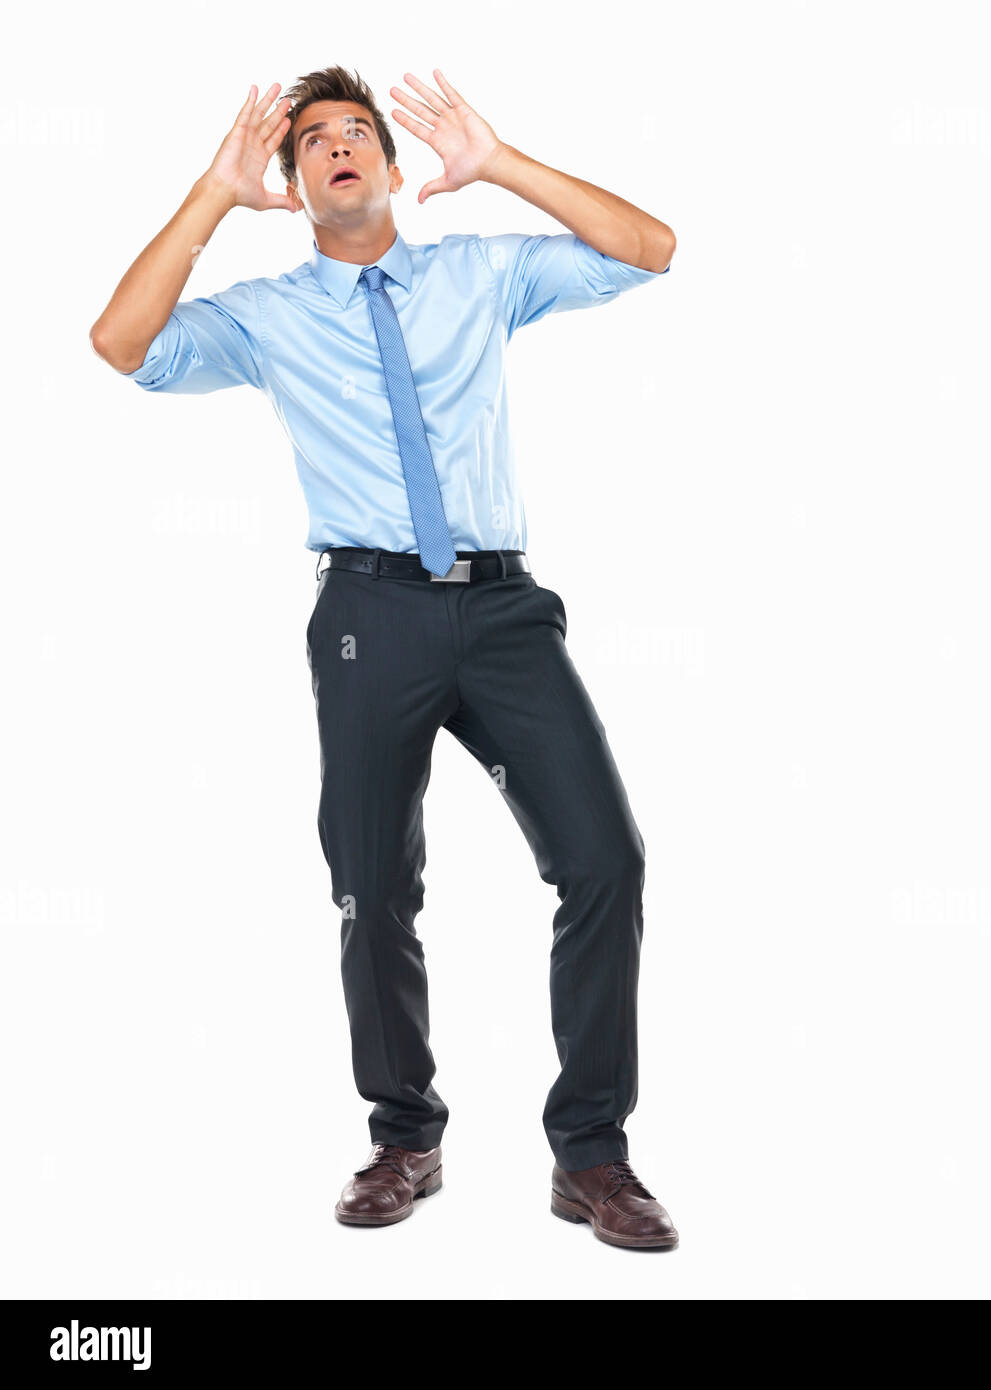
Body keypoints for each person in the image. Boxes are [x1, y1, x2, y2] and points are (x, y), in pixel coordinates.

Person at [89, 64, 678, 1251]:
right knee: (371, 883)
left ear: (398, 170)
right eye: (315, 141)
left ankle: (592, 1155)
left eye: (360, 132)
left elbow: (649, 248)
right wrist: (211, 192)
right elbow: (120, 342)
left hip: (504, 612)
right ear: (294, 180)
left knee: (604, 859)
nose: (341, 147)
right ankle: (405, 1134)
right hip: (368, 612)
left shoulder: (479, 274)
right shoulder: (267, 315)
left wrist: (502, 163)